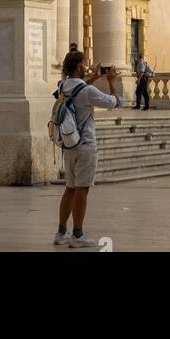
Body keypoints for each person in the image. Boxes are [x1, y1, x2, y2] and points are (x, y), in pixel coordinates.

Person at [53, 50, 121, 248]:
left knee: (70, 189)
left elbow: (78, 90)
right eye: (84, 63)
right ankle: (78, 234)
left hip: (69, 144)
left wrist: (93, 77)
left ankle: (61, 232)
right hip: (85, 145)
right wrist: (111, 82)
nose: (86, 66)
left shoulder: (62, 87)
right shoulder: (88, 91)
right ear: (78, 66)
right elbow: (113, 102)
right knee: (82, 189)